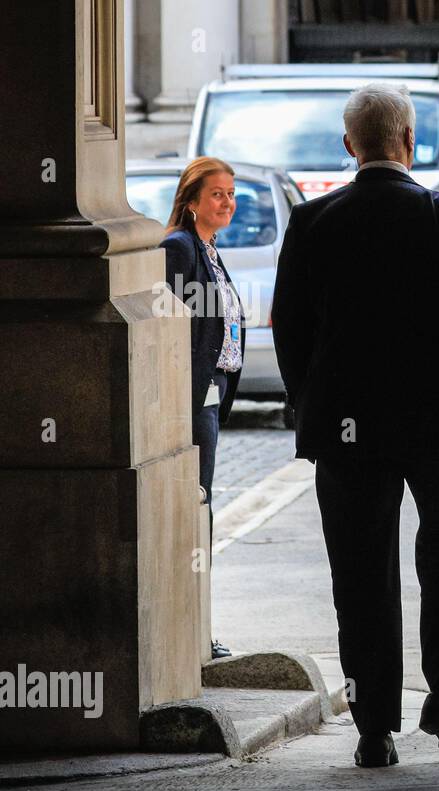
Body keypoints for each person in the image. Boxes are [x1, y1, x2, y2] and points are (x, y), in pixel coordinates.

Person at [271, 83, 439, 769]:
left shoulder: (313, 223)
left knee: (362, 572)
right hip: (436, 422)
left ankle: (375, 728)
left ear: (350, 146)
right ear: (409, 141)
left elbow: (291, 328)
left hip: (346, 426)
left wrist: (308, 401)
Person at [161, 156, 246, 660]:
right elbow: (171, 330)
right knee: (196, 510)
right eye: (217, 194)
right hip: (193, 399)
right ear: (191, 200)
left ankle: (200, 624)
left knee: (203, 510)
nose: (227, 202)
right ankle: (195, 629)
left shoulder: (210, 249)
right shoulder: (179, 248)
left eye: (231, 193)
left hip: (211, 396)